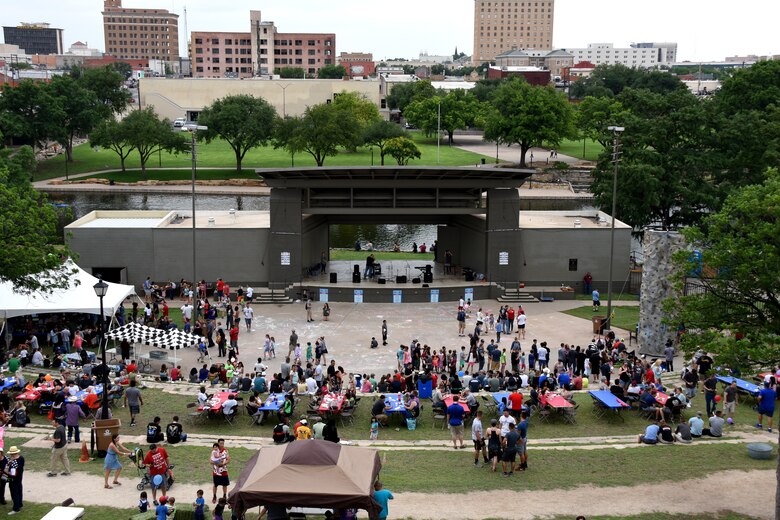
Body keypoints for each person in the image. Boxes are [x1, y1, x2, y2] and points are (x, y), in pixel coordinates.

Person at [4, 446, 24, 515]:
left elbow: (13, 474)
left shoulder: (14, 462)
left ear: (12, 454)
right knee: (19, 492)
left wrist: (6, 471)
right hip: (19, 479)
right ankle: (20, 504)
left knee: (14, 494)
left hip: (13, 480)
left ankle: (16, 509)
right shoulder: (21, 458)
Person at [211, 439, 230, 504]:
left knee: (225, 485)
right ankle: (214, 496)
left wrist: (223, 464)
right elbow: (210, 461)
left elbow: (228, 460)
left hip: (224, 471)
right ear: (218, 443)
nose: (222, 445)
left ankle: (224, 496)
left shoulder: (226, 450)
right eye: (221, 443)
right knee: (215, 485)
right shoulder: (214, 451)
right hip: (216, 471)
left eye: (223, 443)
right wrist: (217, 464)